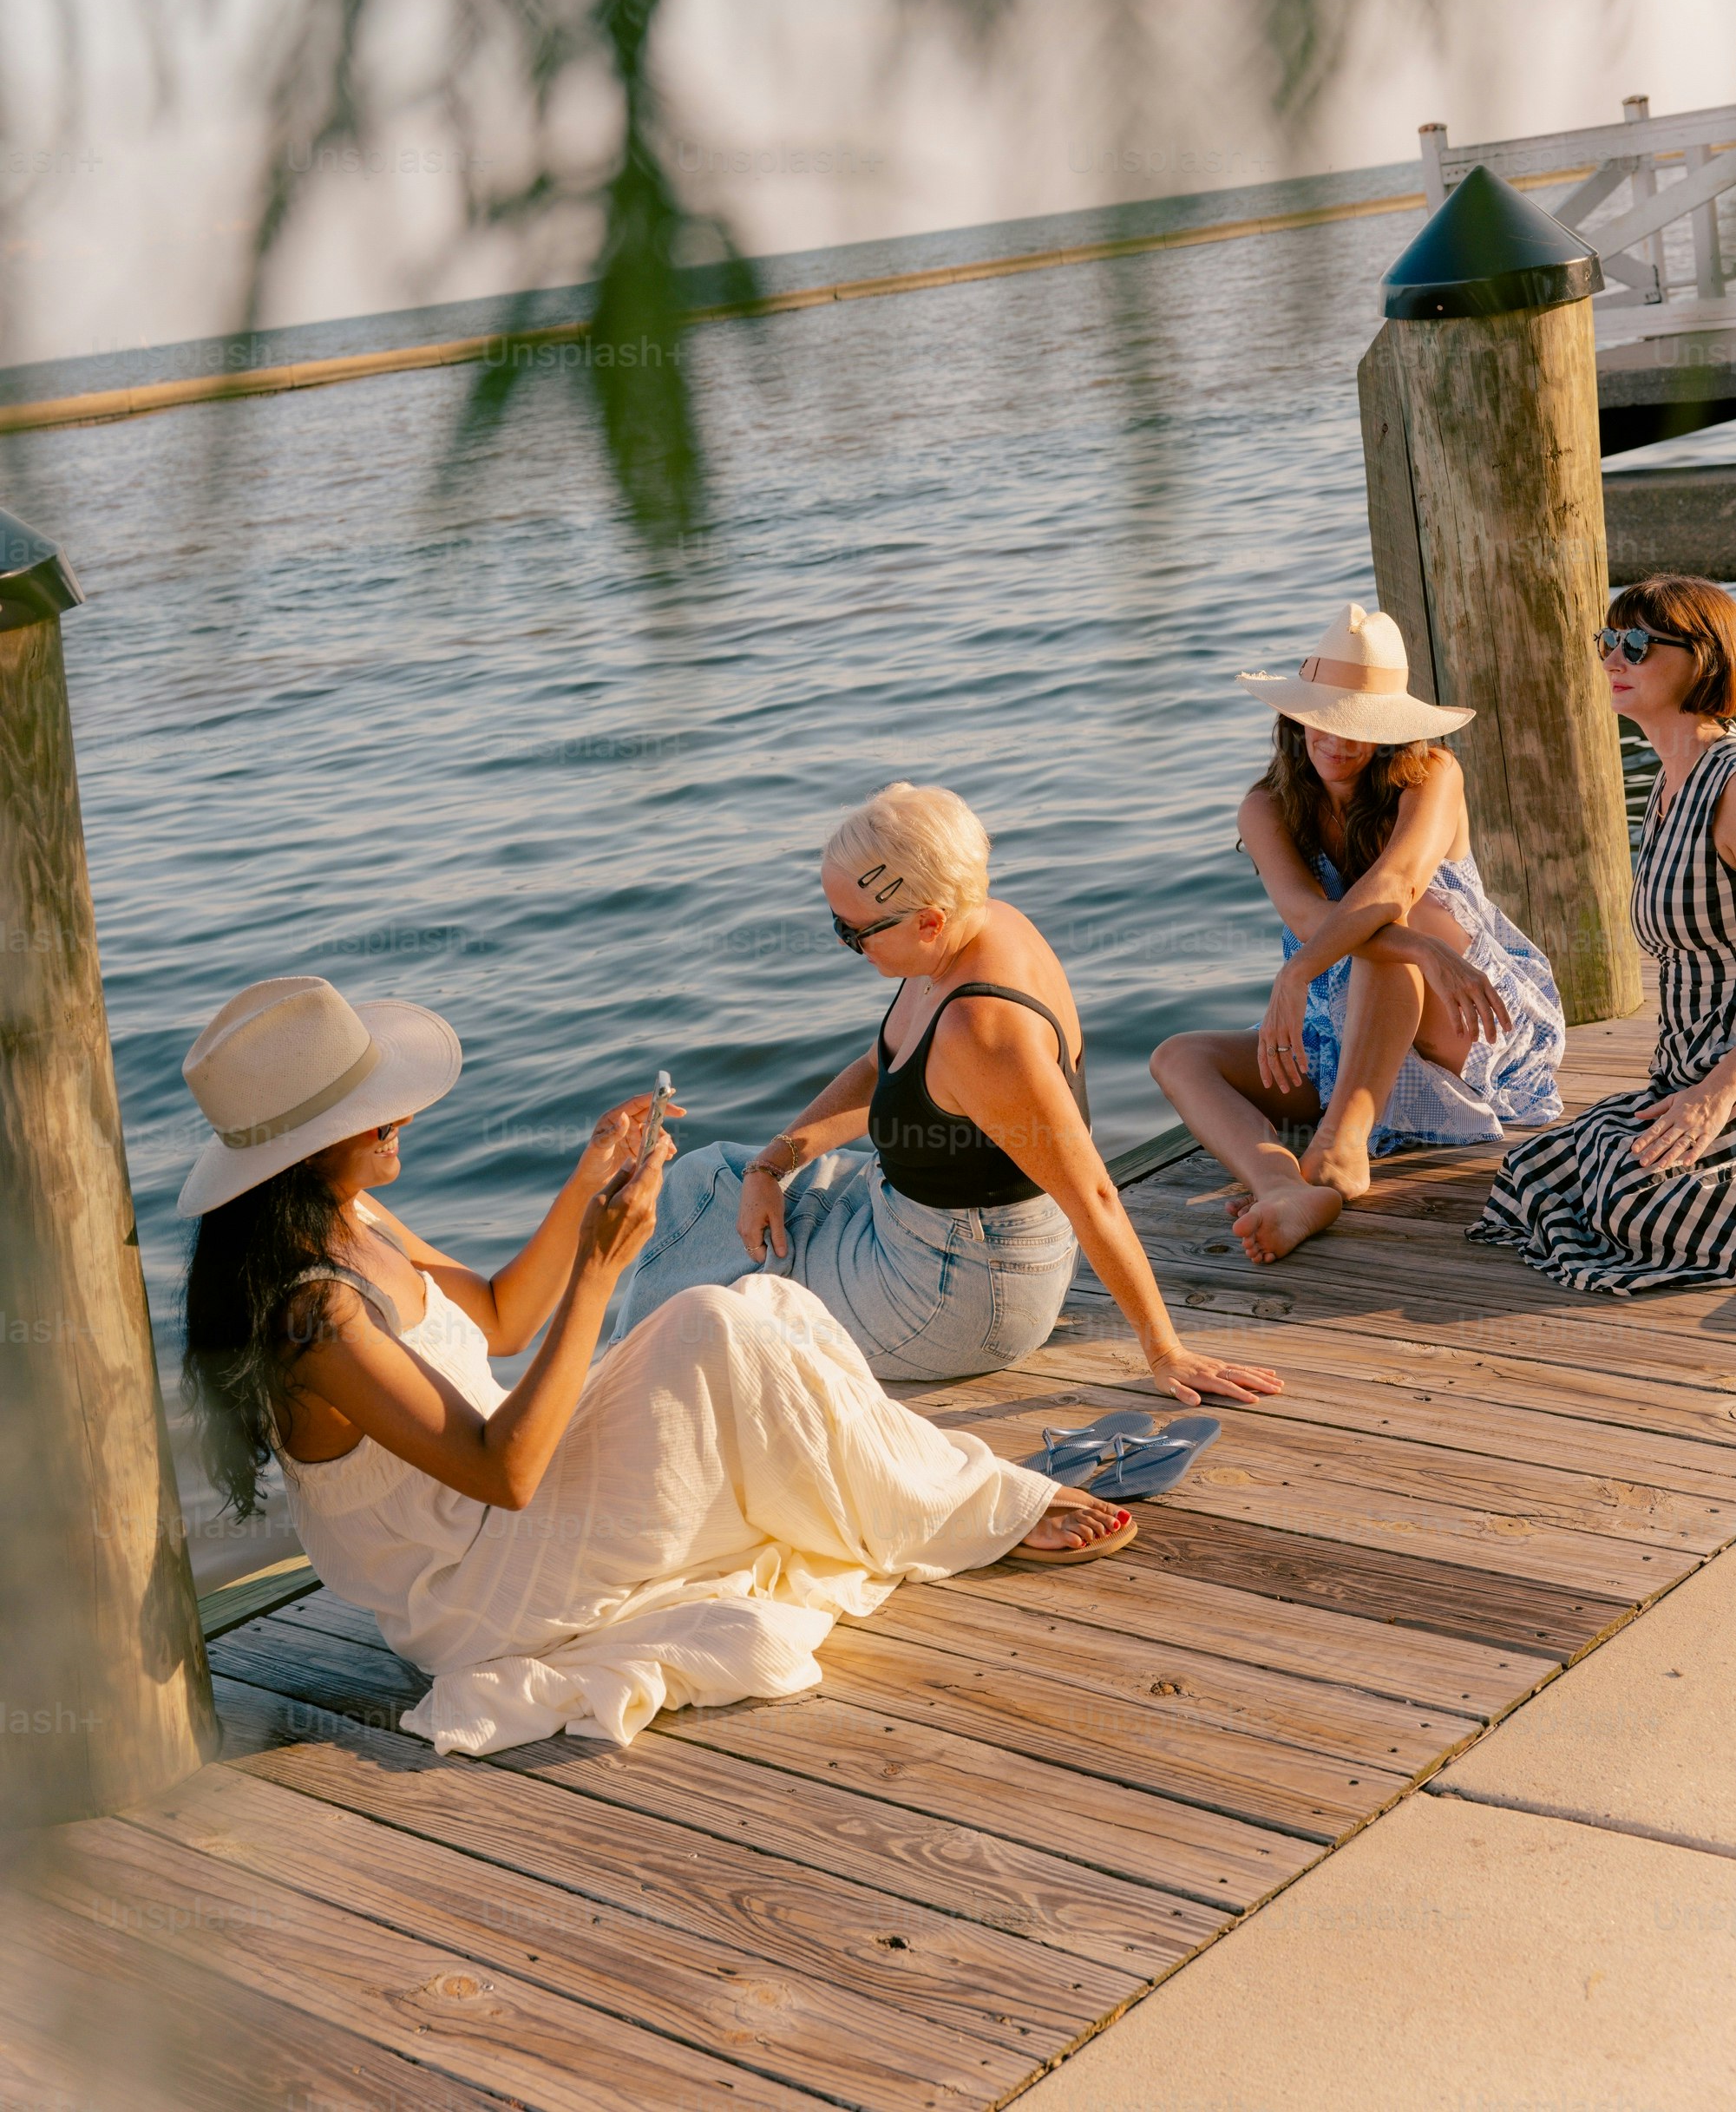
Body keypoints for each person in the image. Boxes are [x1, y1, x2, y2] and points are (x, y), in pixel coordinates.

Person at [180, 974, 1138, 1759]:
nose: (400, 1122)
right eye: (374, 1113)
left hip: (501, 1520)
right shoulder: (311, 1313)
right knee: (709, 1326)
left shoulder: (355, 1219)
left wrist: (591, 1177)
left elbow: (505, 1321)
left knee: (766, 1306)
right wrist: (601, 1270)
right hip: (474, 1593)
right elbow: (502, 1474)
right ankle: (964, 1508)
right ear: (305, 1151)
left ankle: (945, 1498)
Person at [608, 783, 1282, 1407]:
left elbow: (1093, 1194)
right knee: (709, 1178)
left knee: (701, 1286)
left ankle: (605, 1396)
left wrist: (1164, 1352)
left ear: (928, 921)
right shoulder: (974, 925)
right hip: (915, 1226)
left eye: (853, 932)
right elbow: (882, 1062)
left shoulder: (981, 1032)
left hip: (952, 1297)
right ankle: (617, 1374)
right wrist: (774, 1162)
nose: (845, 944)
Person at [1151, 602, 1564, 1264]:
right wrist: (1345, 963)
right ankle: (1282, 1186)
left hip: (1460, 1018)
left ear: (1390, 731)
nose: (1338, 741)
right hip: (1338, 1032)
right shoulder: (1267, 807)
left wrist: (1307, 969)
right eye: (1323, 720)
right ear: (1296, 717)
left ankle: (1342, 1149)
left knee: (1394, 925)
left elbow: (1392, 887)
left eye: (1361, 726)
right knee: (1176, 1056)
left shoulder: (1431, 775)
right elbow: (1306, 918)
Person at [1471, 575, 1736, 1292]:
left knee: (1631, 1202)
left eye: (1639, 644)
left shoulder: (1732, 785)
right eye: (1606, 643)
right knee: (1537, 1171)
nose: (1614, 659)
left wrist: (1717, 1093)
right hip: (1685, 1069)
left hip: (1725, 1077)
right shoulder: (1669, 782)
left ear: (1705, 658)